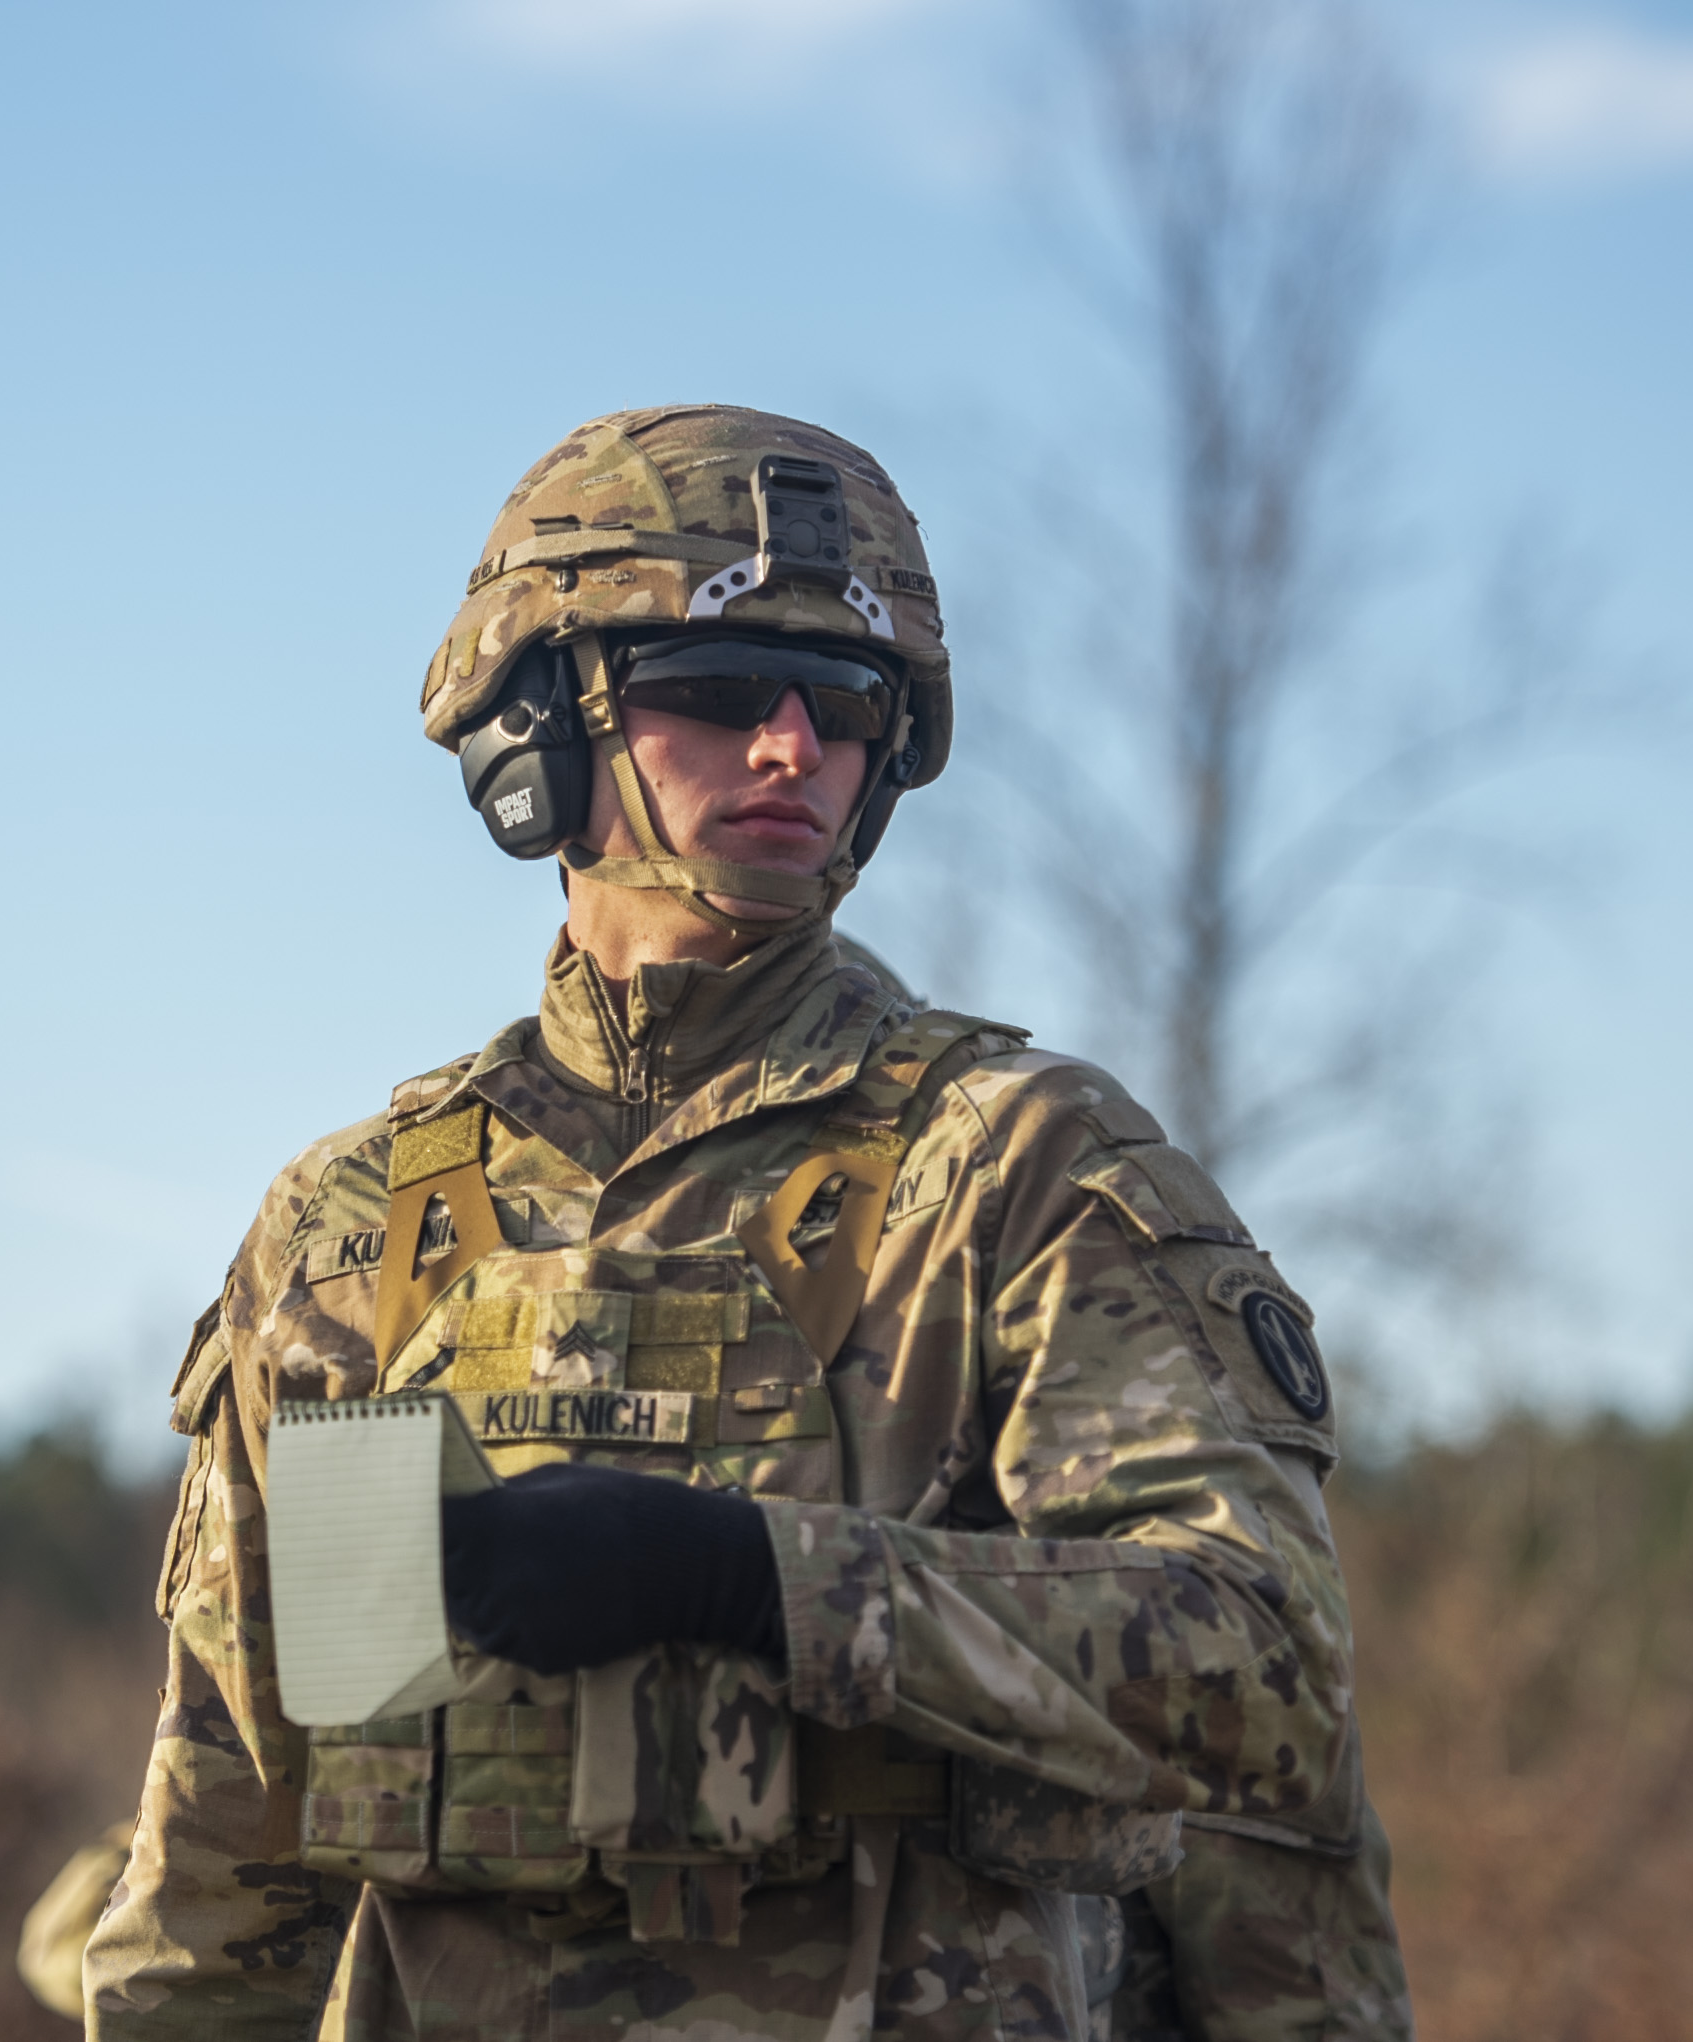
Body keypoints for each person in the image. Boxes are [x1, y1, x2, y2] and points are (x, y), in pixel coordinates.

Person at [80, 405, 1410, 2041]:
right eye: (715, 691)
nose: (792, 750)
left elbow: (1263, 1674)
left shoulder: (1015, 1169)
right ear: (538, 719)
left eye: (844, 705)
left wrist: (754, 1581)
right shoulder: (366, 1229)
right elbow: (234, 1841)